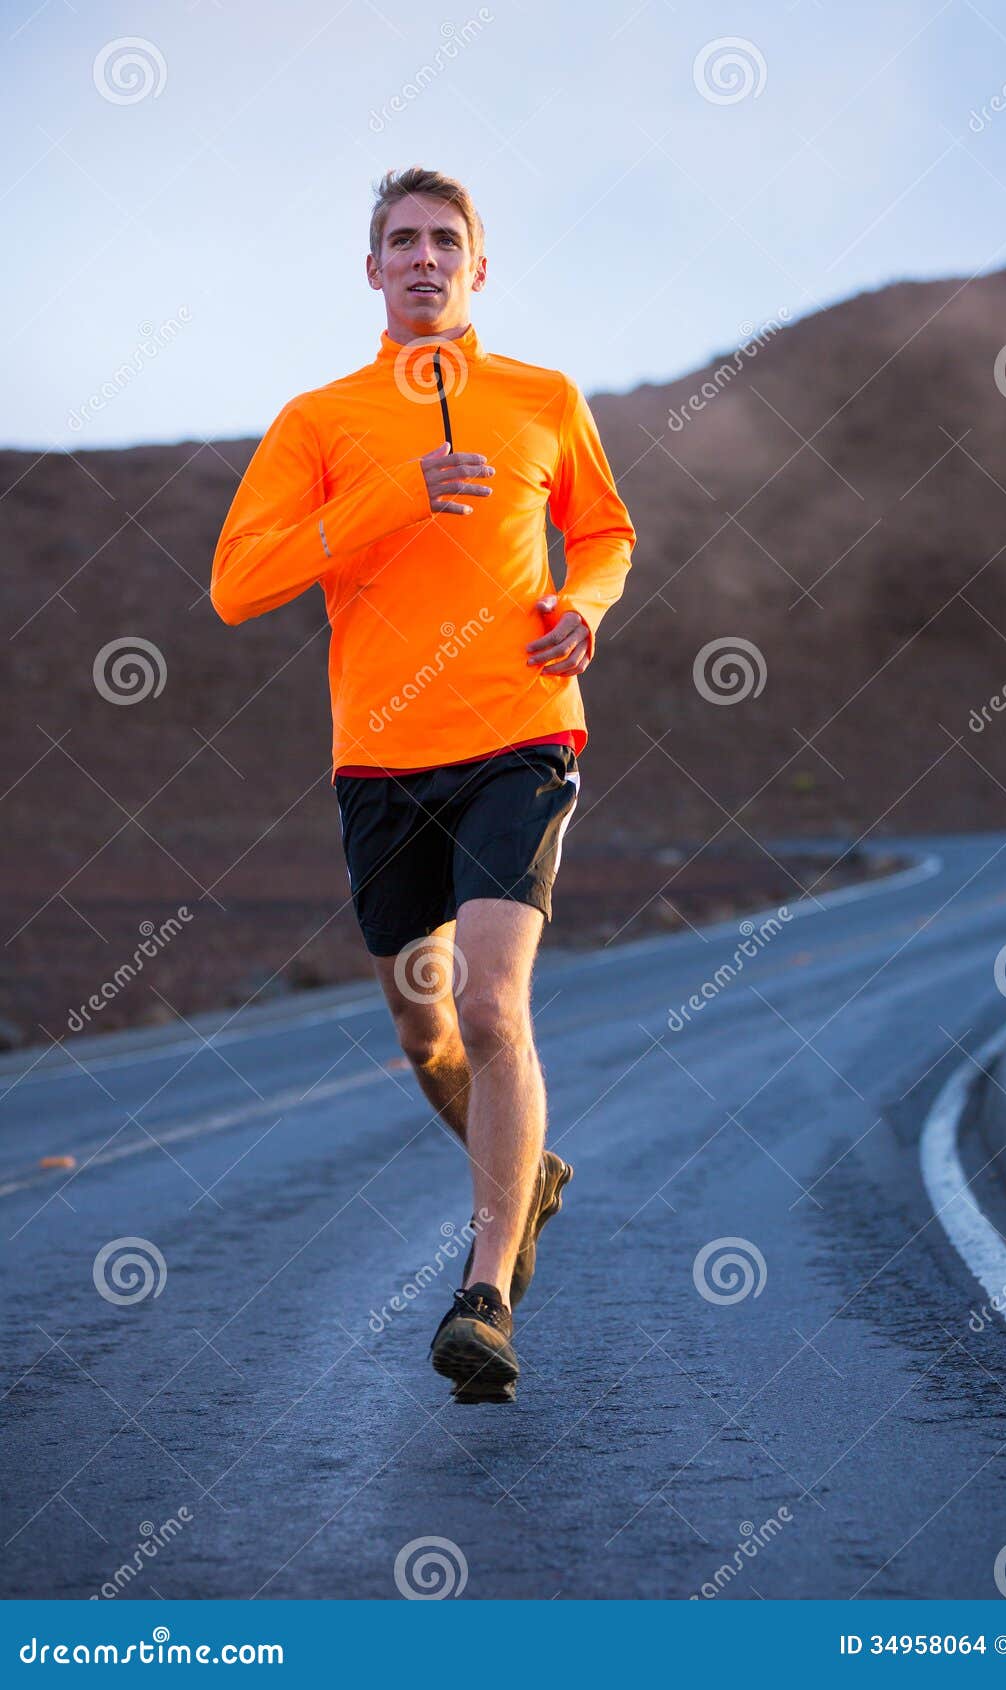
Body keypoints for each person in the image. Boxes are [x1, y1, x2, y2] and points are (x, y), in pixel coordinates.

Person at [210, 166, 635, 1404]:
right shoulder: (321, 420)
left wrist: (585, 606)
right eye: (400, 240)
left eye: (446, 240)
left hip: (521, 732)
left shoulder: (544, 399)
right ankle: (528, 1172)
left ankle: (486, 1290)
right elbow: (240, 583)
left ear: (479, 268)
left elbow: (603, 532)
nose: (423, 258)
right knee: (427, 1027)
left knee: (497, 1007)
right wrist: (389, 498)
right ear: (372, 269)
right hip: (382, 759)